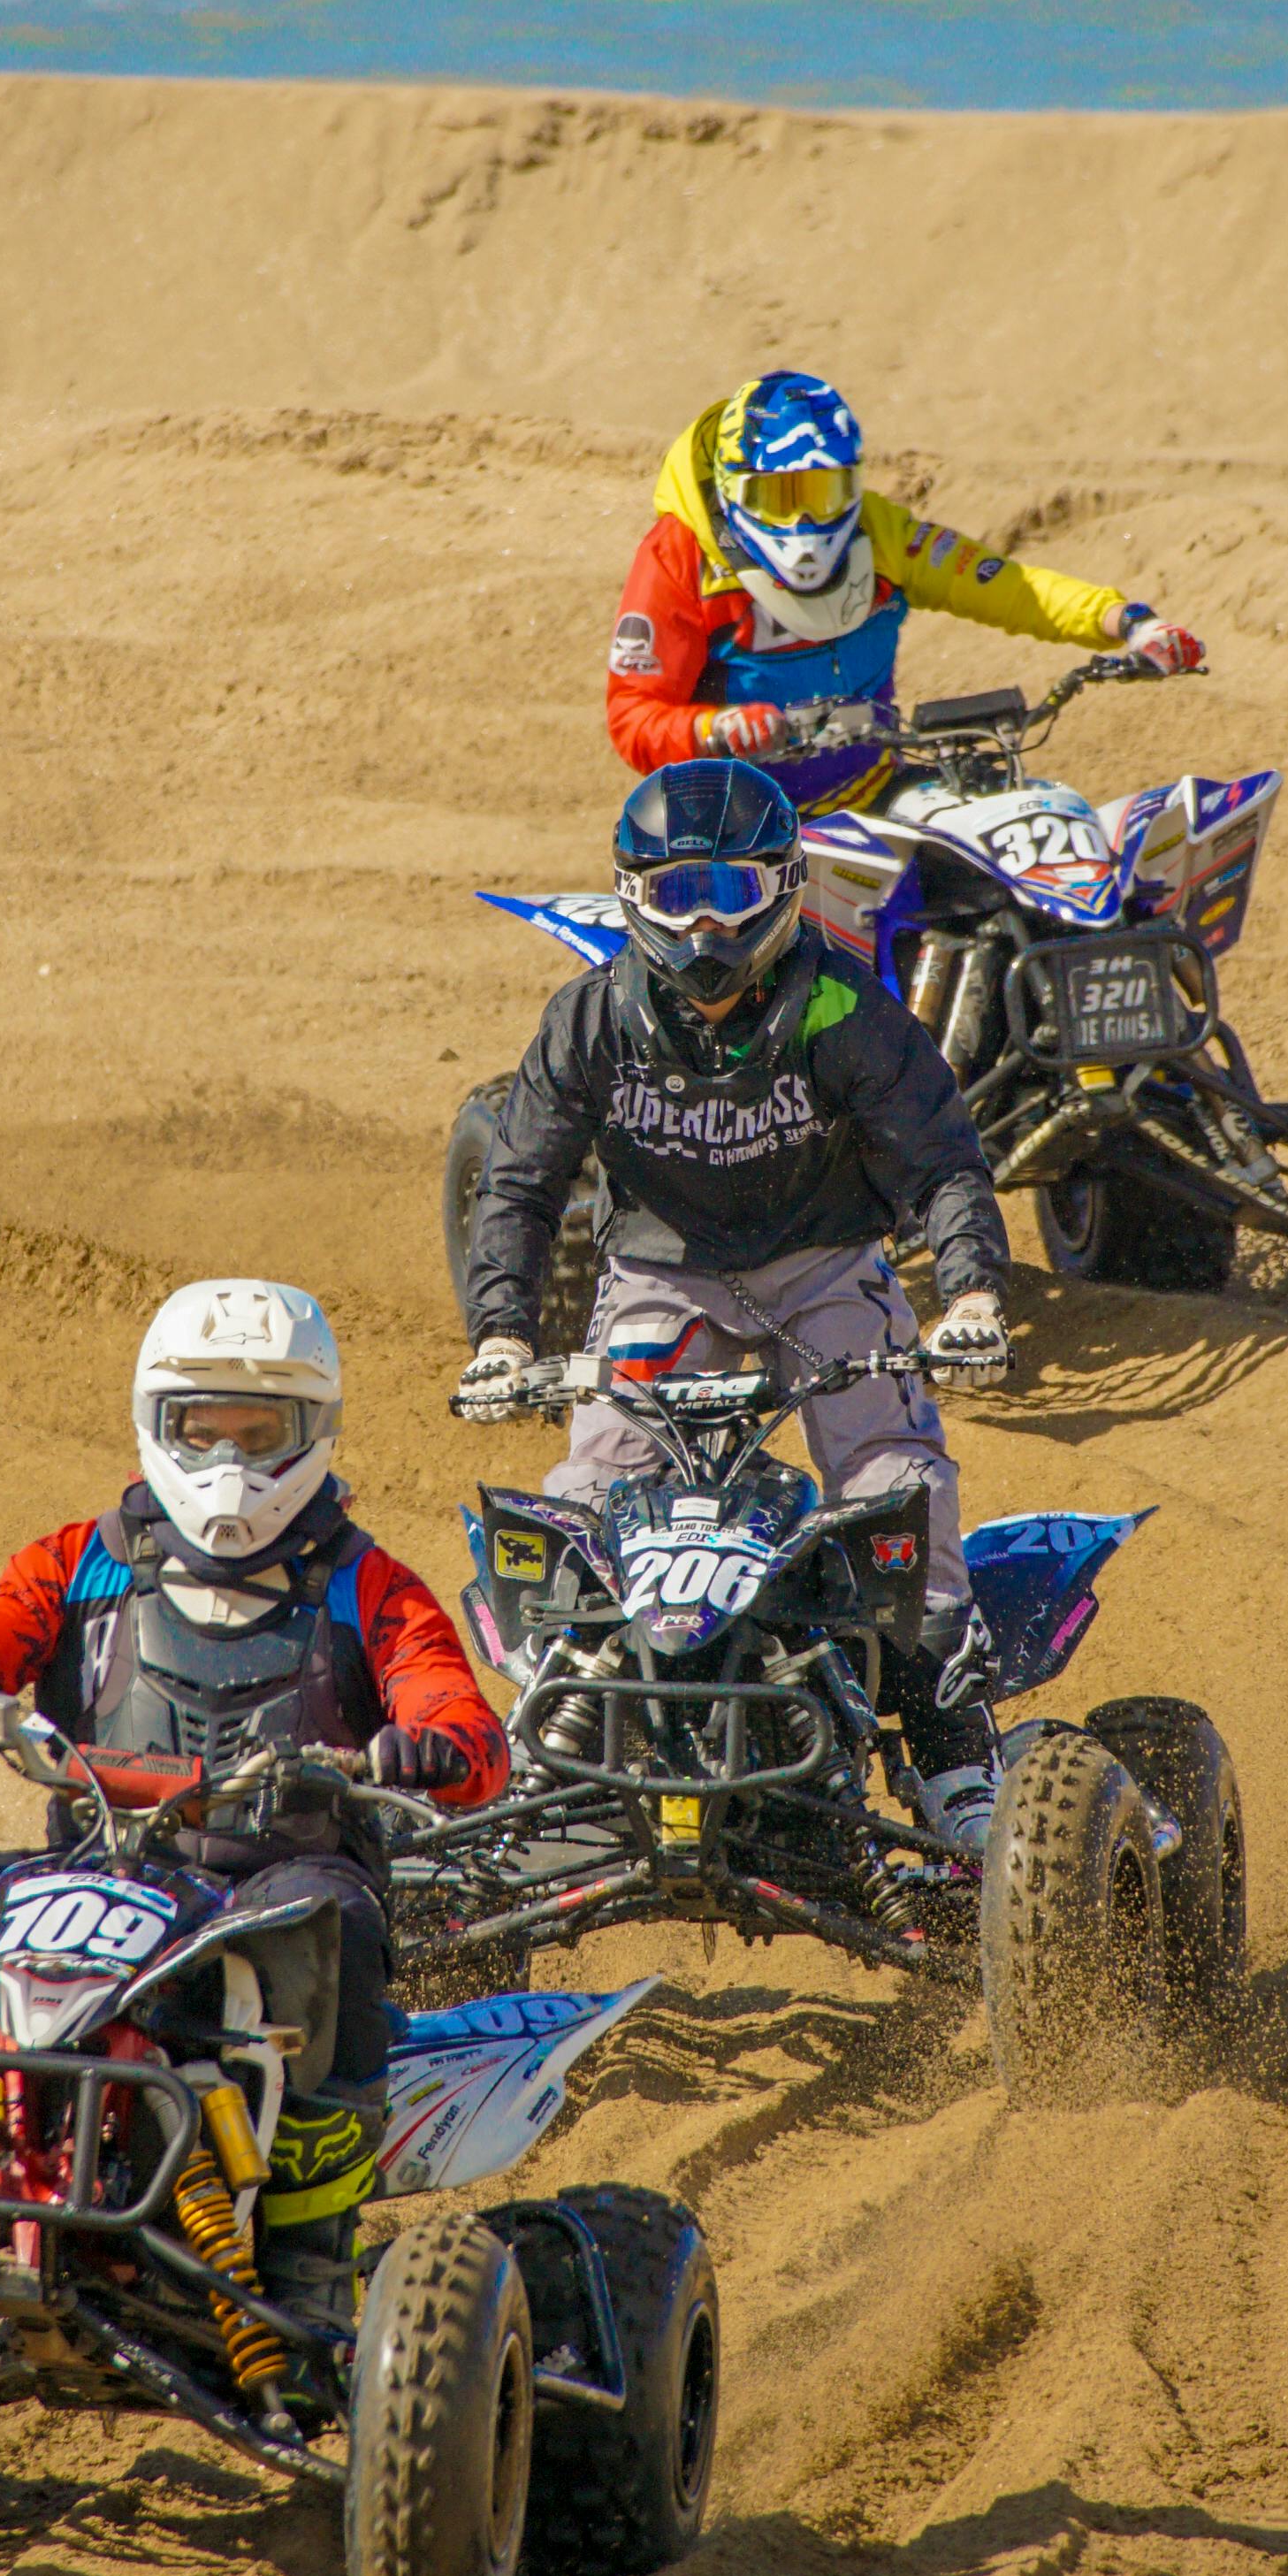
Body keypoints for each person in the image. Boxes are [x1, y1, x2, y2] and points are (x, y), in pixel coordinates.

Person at [0, 1278, 506, 2320]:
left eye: (259, 1431)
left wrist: (430, 1745)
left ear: (314, 1430)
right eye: (203, 1430)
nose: (230, 1463)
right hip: (106, 1865)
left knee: (331, 1934)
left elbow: (463, 1723)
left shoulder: (370, 1587)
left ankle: (306, 2253)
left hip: (281, 1870)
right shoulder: (77, 1563)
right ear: (158, 1423)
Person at [456, 756, 1017, 1854]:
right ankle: (552, 1756)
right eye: (675, 894)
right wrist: (502, 1332)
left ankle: (954, 1753)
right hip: (665, 1277)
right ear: (630, 897)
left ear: (785, 886)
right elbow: (518, 1181)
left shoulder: (847, 1007)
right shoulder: (590, 1020)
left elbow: (944, 1163)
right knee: (591, 1496)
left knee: (895, 1486)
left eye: (729, 891)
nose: (705, 925)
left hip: (826, 1268)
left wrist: (973, 1295)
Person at [604, 368, 1207, 815]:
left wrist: (1127, 623)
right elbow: (633, 718)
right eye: (779, 499)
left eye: (824, 494)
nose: (804, 525)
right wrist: (717, 730)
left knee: (1010, 851)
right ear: (736, 492)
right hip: (735, 823)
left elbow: (1011, 587)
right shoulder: (679, 557)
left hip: (871, 795)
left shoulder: (881, 533)